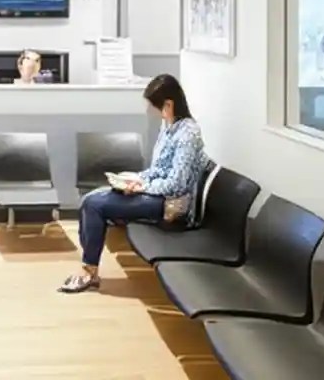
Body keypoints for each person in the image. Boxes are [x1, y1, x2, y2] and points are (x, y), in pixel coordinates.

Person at [58, 73, 210, 293]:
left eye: (153, 106)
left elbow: (177, 184)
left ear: (168, 104)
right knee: (89, 199)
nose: (151, 112)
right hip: (157, 193)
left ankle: (89, 272)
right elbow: (160, 168)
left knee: (94, 205)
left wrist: (143, 187)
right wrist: (138, 178)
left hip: (172, 205)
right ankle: (89, 267)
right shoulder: (168, 126)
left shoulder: (188, 134)